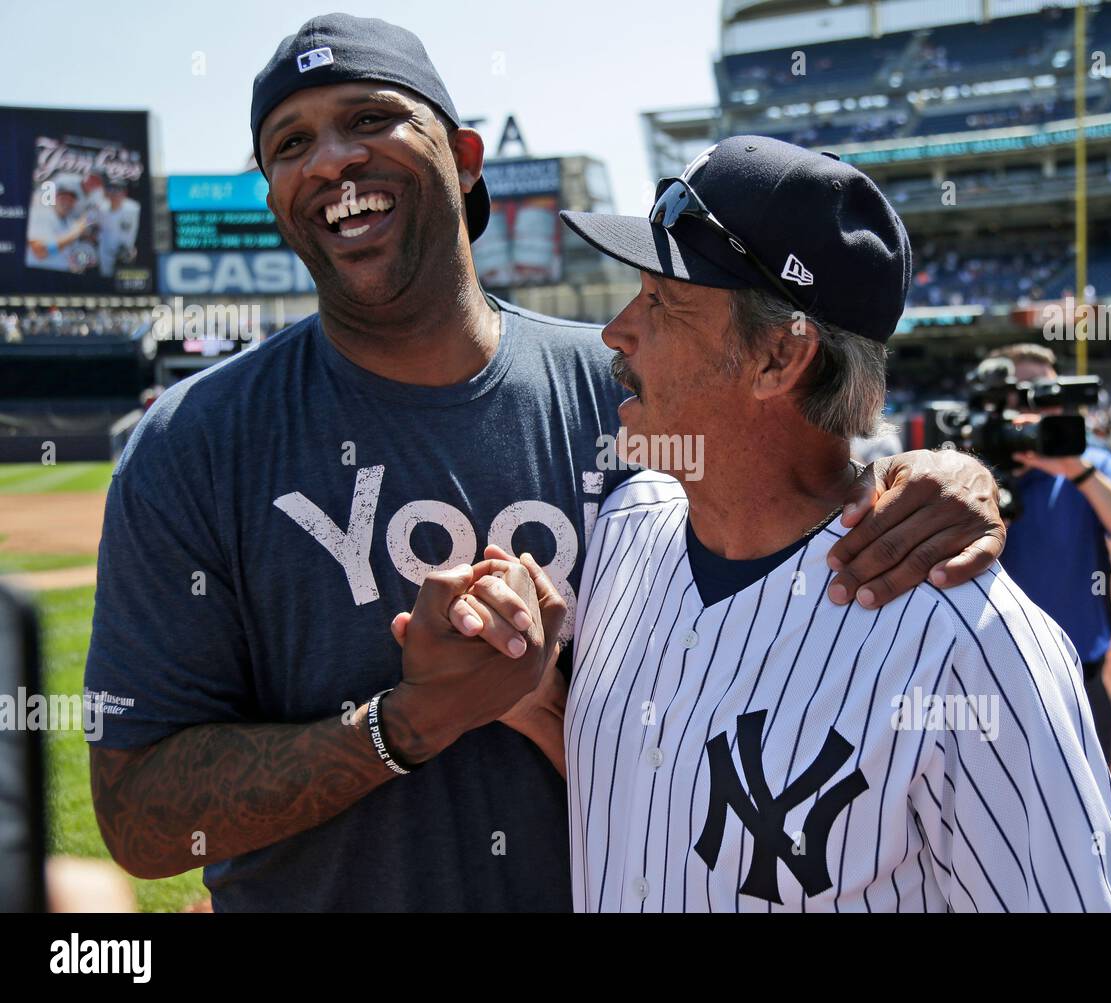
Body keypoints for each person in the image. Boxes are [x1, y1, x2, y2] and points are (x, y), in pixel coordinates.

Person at [83, 14, 1005, 912]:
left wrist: (940, 477)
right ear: (276, 196)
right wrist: (407, 723)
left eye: (369, 118)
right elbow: (140, 820)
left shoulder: (635, 390)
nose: (329, 159)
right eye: (289, 144)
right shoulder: (195, 440)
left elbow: (809, 479)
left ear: (467, 156)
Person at [549, 136, 1111, 911]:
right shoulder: (627, 526)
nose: (616, 330)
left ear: (779, 358)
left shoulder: (973, 637)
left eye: (662, 300)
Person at [989, 344, 1111, 764]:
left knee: (1089, 815)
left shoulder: (1092, 462)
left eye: (1049, 392)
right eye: (1026, 391)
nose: (1041, 404)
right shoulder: (966, 467)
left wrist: (1076, 470)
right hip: (989, 677)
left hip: (1079, 674)